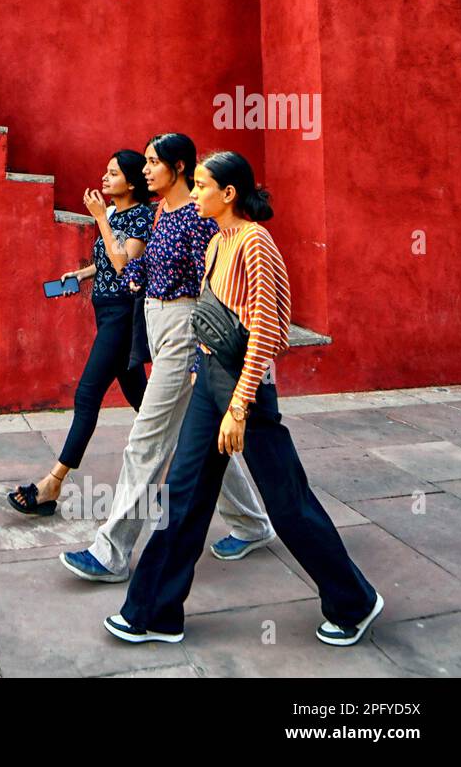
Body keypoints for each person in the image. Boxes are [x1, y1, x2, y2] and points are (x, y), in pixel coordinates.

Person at [106, 151, 382, 646]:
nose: (194, 194)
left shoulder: (256, 242)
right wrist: (199, 371)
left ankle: (354, 602)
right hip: (209, 379)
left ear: (228, 193)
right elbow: (210, 318)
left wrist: (238, 405)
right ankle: (154, 612)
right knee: (183, 496)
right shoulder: (217, 242)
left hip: (244, 388)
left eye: (203, 186)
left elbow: (269, 330)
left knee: (287, 503)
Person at [59, 133, 273, 582]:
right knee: (202, 438)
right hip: (158, 327)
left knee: (147, 439)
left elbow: (211, 289)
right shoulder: (162, 213)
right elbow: (133, 270)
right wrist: (122, 258)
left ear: (178, 168)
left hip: (183, 332)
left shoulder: (197, 220)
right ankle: (252, 523)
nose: (147, 169)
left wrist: (200, 357)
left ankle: (111, 551)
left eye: (155, 162)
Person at [10, 151, 151, 514]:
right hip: (104, 314)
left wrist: (102, 218)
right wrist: (83, 274)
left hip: (122, 318)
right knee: (145, 403)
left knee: (87, 396)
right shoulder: (115, 214)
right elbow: (105, 261)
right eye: (105, 171)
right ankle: (196, 453)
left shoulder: (140, 217)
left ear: (132, 183)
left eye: (113, 173)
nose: (104, 178)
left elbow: (124, 265)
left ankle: (52, 483)